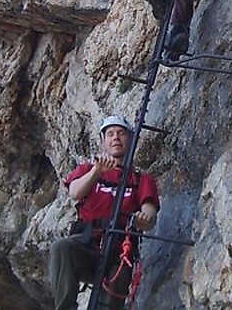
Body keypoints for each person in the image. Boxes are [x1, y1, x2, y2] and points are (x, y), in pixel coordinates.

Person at [49, 115, 159, 310]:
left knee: (114, 294)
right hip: (87, 244)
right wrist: (96, 171)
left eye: (121, 133)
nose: (116, 137)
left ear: (130, 139)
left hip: (119, 253)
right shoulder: (87, 169)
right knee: (62, 247)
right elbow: (75, 192)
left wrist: (143, 220)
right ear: (103, 142)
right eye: (110, 134)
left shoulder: (141, 180)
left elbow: (149, 215)